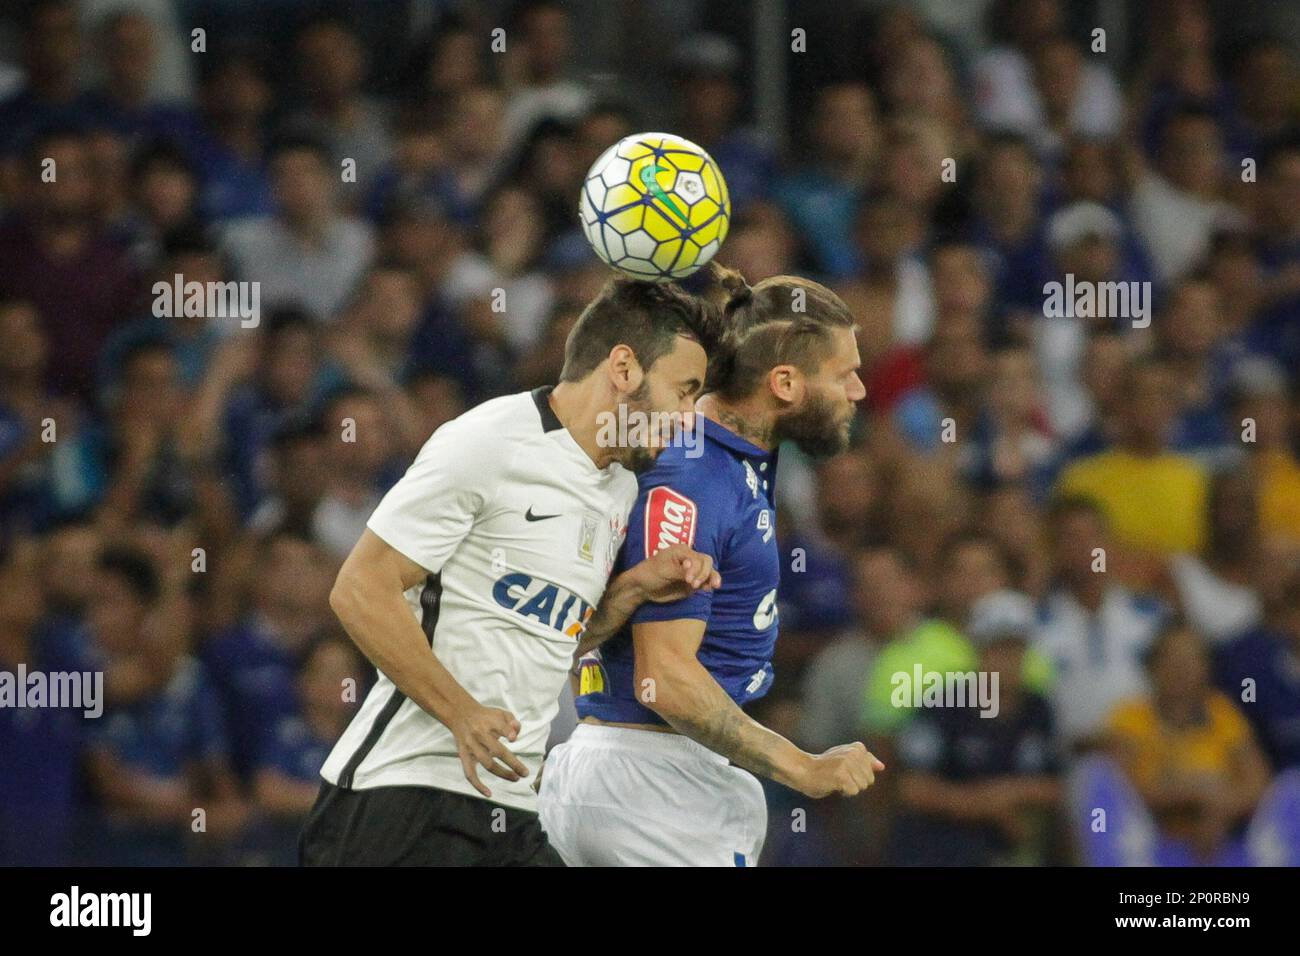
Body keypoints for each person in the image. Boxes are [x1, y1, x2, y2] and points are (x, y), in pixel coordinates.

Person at [299, 275, 726, 866]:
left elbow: (540, 635)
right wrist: (460, 713)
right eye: (684, 391)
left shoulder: (620, 489)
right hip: (402, 797)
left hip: (514, 807)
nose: (687, 419)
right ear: (624, 368)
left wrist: (628, 592)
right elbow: (359, 590)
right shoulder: (489, 440)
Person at [538, 265, 883, 867]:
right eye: (845, 375)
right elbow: (663, 679)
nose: (858, 392)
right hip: (650, 786)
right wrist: (803, 766)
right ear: (784, 383)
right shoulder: (694, 474)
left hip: (641, 778)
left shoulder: (729, 458)